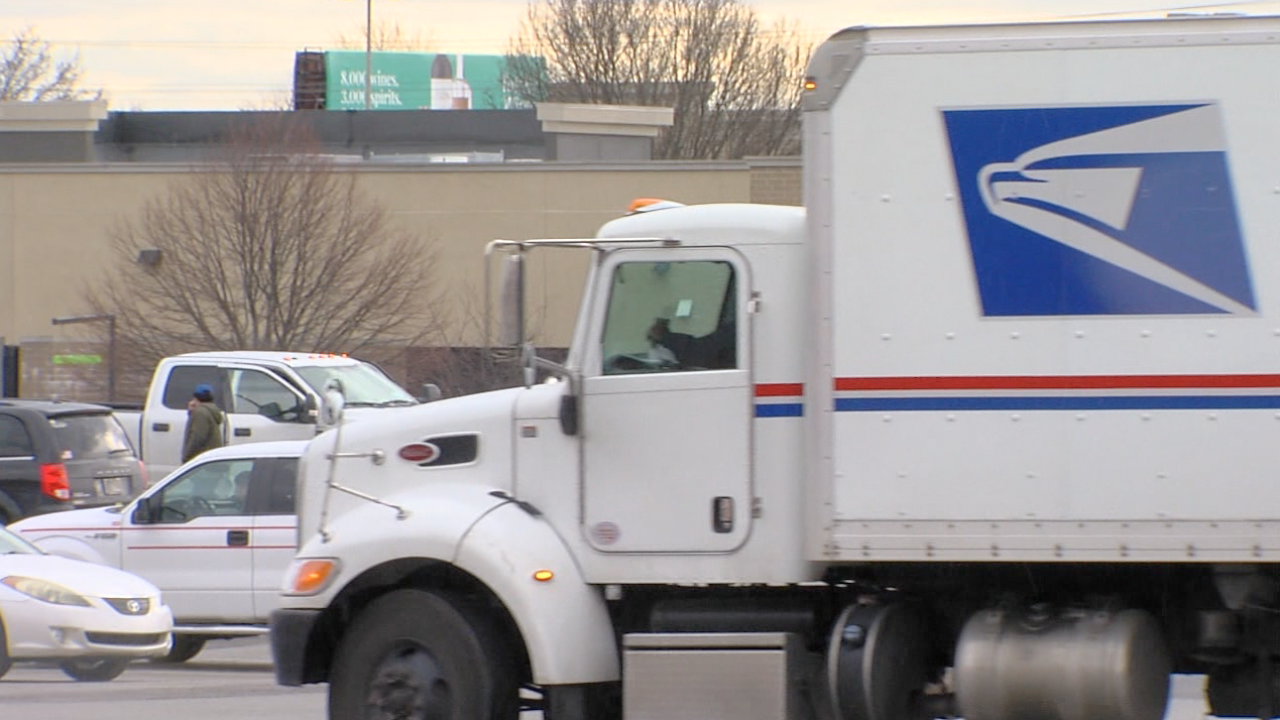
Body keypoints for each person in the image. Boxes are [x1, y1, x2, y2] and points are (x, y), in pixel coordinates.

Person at [182, 383, 224, 462]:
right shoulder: (212, 410)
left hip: (201, 459)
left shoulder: (200, 412)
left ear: (195, 397)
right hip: (210, 458)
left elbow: (197, 438)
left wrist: (187, 457)